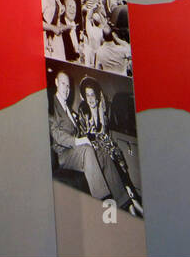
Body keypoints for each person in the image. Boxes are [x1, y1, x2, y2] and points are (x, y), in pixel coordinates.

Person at [49, 70, 137, 214]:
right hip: (64, 155)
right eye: (63, 84)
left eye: (68, 86)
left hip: (74, 151)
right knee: (87, 150)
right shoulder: (51, 104)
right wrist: (78, 141)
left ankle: (125, 202)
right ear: (57, 83)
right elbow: (57, 134)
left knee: (102, 152)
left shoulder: (68, 109)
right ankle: (103, 201)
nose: (66, 89)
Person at [76, 76, 142, 215]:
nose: (90, 98)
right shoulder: (84, 112)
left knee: (123, 175)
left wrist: (110, 147)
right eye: (87, 95)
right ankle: (131, 205)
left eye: (92, 94)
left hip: (109, 148)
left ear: (97, 95)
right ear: (84, 97)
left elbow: (105, 133)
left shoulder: (102, 111)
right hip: (96, 150)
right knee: (116, 172)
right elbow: (85, 137)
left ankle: (133, 204)